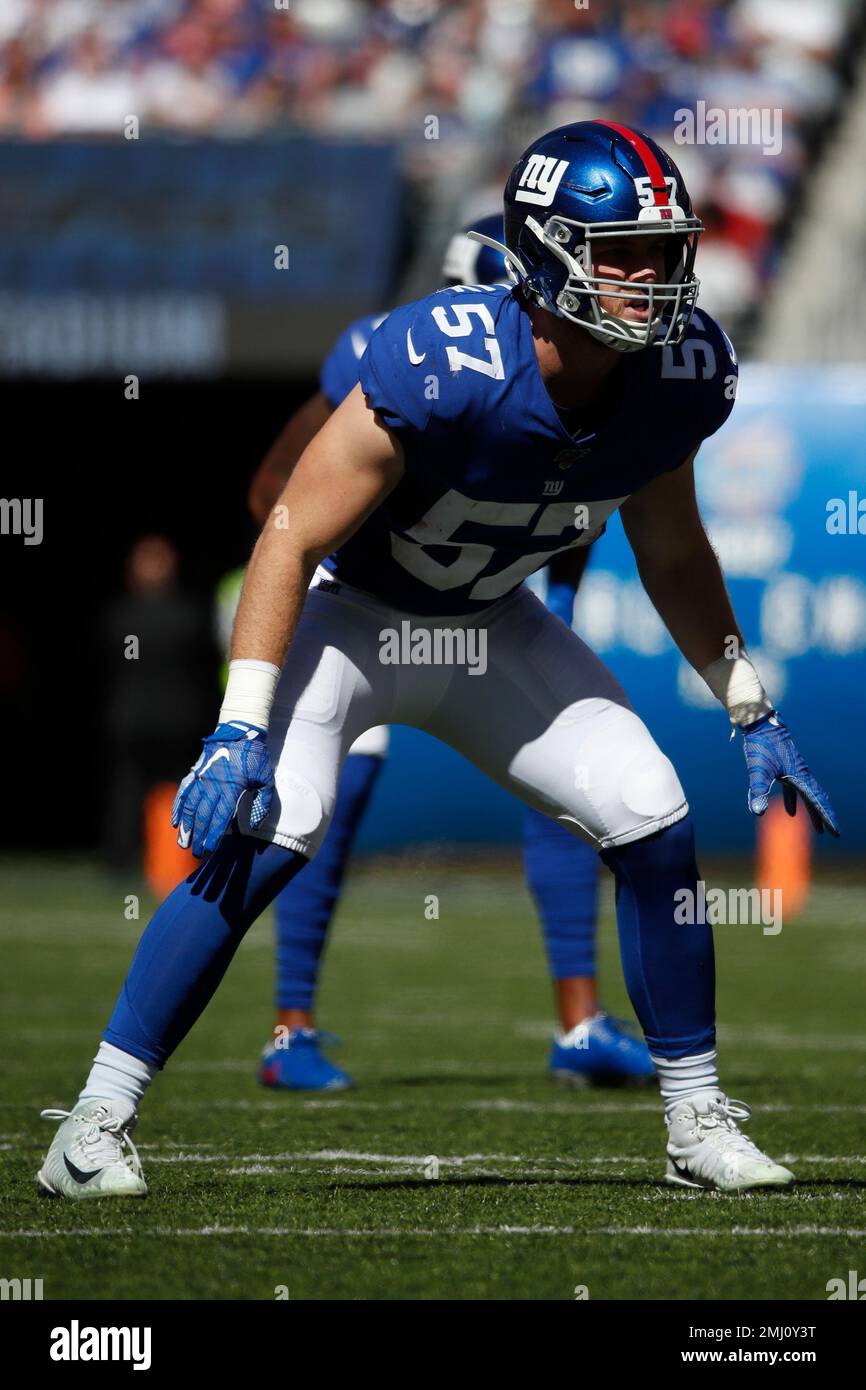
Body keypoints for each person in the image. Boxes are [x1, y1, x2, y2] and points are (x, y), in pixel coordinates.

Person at [38, 120, 837, 1200]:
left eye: (665, 249)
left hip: (491, 629)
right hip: (355, 621)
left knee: (651, 814)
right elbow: (288, 533)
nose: (655, 277)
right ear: (548, 251)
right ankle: (92, 1122)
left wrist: (746, 701)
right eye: (624, 252)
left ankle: (695, 1122)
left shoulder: (679, 371)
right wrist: (238, 723)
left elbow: (670, 545)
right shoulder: (441, 356)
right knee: (269, 827)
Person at [247, 215, 652, 1092]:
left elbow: (570, 500)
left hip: (485, 612)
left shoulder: (576, 379)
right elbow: (275, 489)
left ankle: (579, 1023)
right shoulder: (397, 355)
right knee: (321, 800)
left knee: (576, 786)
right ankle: (289, 1026)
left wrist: (562, 591)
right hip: (364, 606)